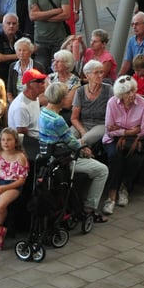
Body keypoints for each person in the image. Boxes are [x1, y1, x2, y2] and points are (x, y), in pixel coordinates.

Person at [38, 83, 110, 222]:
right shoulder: (57, 120)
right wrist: (84, 148)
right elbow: (72, 143)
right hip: (62, 160)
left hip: (48, 156)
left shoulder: (43, 111)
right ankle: (89, 209)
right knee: (102, 170)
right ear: (62, 99)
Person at [102, 75, 144, 215]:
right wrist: (129, 131)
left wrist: (119, 129)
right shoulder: (112, 103)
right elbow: (108, 130)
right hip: (114, 139)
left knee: (134, 159)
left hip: (138, 140)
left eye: (133, 91)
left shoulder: (143, 104)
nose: (131, 95)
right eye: (127, 93)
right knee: (115, 157)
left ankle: (124, 187)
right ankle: (111, 195)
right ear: (120, 94)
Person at [71, 60, 114, 148]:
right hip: (82, 124)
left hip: (101, 124)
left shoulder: (108, 89)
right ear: (87, 75)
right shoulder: (80, 91)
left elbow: (114, 113)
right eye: (96, 73)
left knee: (84, 140)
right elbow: (74, 118)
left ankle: (78, 158)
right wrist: (82, 131)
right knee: (67, 138)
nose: (100, 75)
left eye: (101, 72)